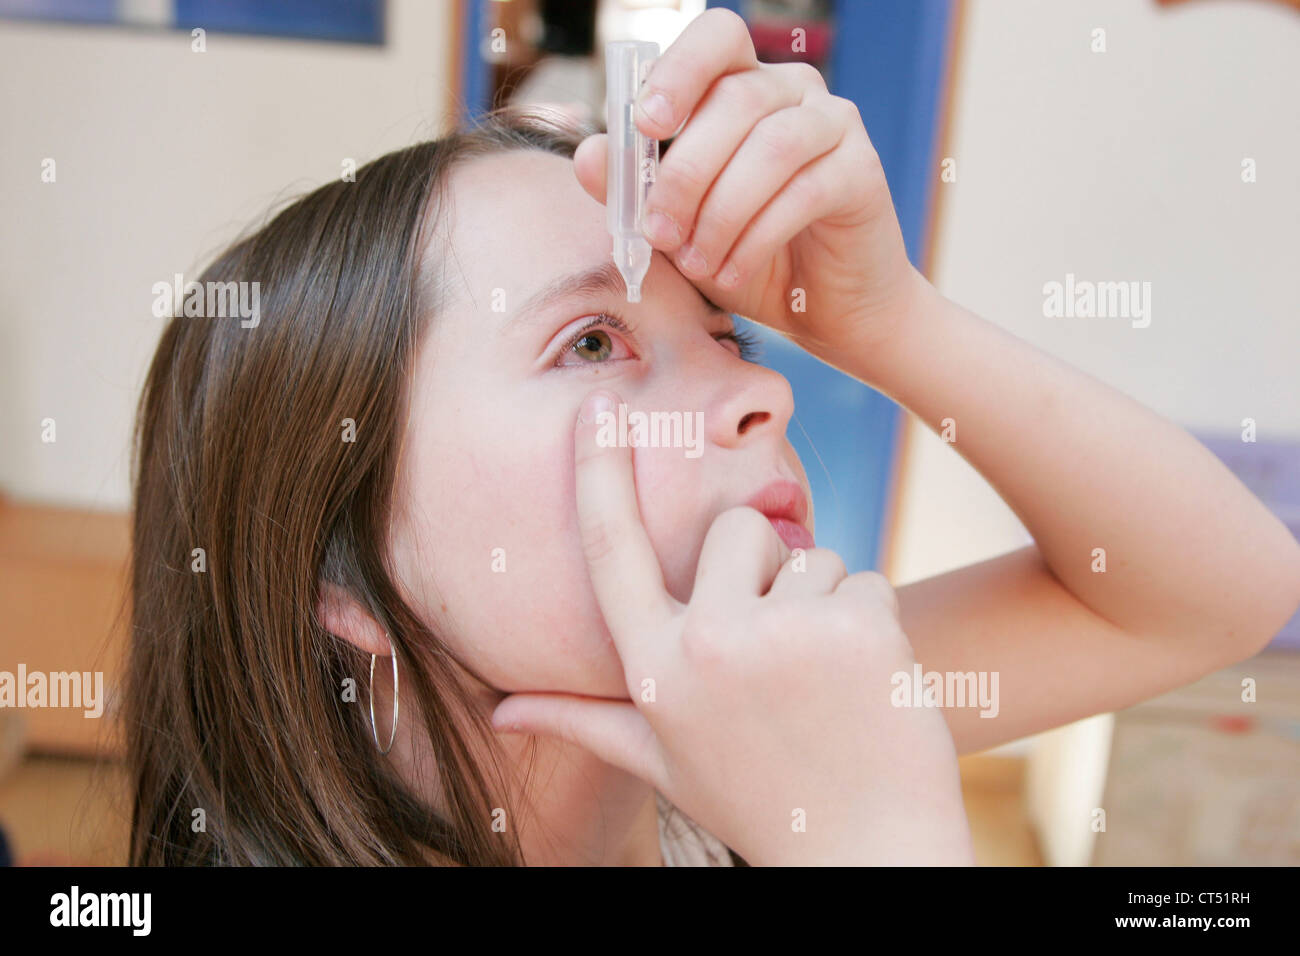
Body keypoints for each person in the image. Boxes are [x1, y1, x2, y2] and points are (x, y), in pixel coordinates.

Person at [125, 8, 1300, 866]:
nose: (768, 398)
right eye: (592, 341)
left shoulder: (736, 734)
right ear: (344, 575)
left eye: (728, 336)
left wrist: (888, 320)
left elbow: (1215, 595)